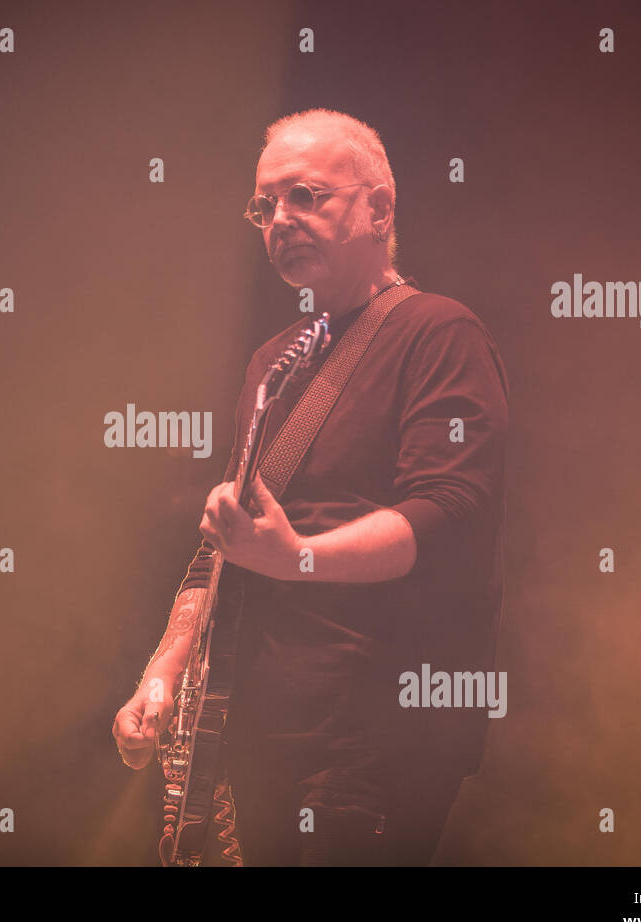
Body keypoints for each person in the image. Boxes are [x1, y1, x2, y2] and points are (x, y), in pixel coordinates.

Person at [112, 108, 510, 865]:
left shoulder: (439, 331)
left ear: (379, 208)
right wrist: (160, 675)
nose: (280, 220)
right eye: (266, 206)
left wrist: (296, 556)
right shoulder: (274, 361)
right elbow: (224, 548)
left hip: (382, 727)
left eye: (306, 196)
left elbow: (446, 512)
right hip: (265, 725)